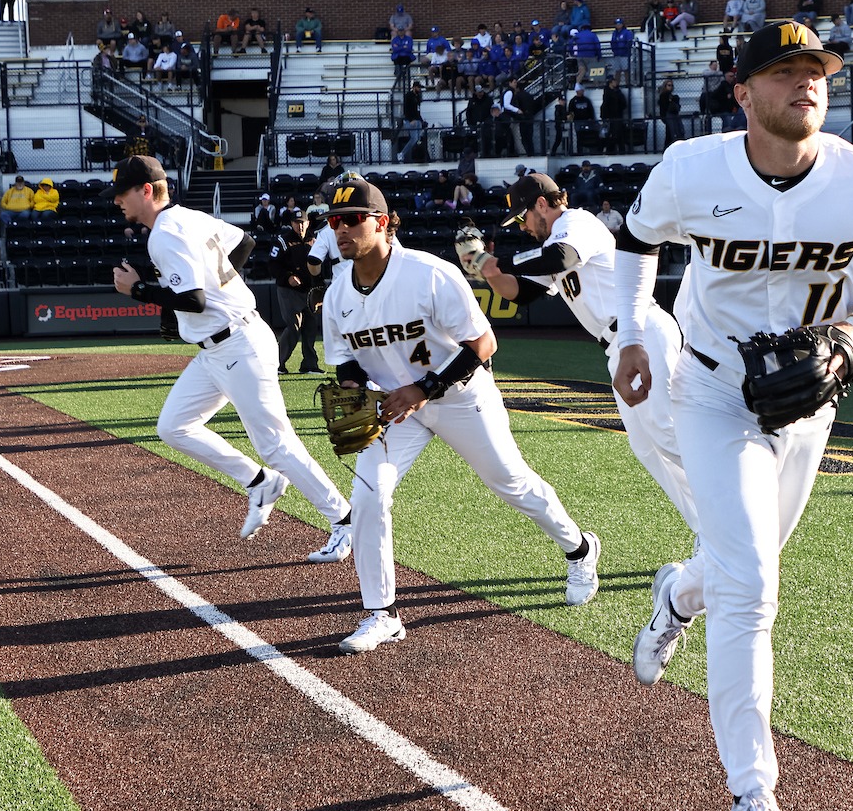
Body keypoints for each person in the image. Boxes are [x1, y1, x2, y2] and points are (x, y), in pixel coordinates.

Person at [610, 21, 853, 811]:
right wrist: (632, 335)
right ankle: (753, 796)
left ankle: (677, 594)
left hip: (810, 396)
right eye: (784, 72)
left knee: (738, 564)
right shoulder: (692, 167)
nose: (807, 84)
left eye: (817, 70)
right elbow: (637, 242)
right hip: (711, 387)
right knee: (753, 587)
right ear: (742, 92)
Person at [317, 176, 600, 652]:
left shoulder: (428, 273)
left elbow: (484, 344)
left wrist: (424, 389)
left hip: (460, 396)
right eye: (333, 221)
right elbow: (344, 355)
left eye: (352, 219)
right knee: (368, 497)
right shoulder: (340, 290)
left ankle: (579, 548)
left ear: (382, 223)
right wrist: (352, 389)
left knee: (510, 482)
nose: (340, 229)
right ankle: (380, 614)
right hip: (394, 407)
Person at [106, 155, 353, 559]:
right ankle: (259, 481)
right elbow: (245, 243)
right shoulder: (188, 216)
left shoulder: (163, 234)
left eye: (122, 192)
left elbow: (193, 299)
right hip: (217, 348)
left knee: (277, 445)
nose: (117, 200)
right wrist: (217, 291)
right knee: (174, 426)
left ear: (146, 190)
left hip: (238, 343)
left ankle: (344, 519)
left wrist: (138, 291)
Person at [473, 171, 697, 584]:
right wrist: (481, 267)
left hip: (641, 331)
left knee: (667, 435)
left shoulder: (576, 223)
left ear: (542, 204)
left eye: (523, 216)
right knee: (647, 447)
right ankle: (707, 533)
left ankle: (727, 531)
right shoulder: (548, 241)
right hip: (618, 345)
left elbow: (562, 259)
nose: (522, 226)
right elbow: (518, 292)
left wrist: (498, 261)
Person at [271, 209, 321, 375]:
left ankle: (309, 365)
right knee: (294, 326)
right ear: (291, 224)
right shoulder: (283, 240)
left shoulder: (315, 240)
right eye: (296, 222)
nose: (300, 226)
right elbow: (272, 264)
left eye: (302, 222)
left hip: (310, 290)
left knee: (311, 327)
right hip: (289, 290)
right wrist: (288, 277)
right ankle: (277, 364)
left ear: (308, 223)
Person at [657, 78, 685, 146]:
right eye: (669, 85)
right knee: (672, 132)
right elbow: (665, 106)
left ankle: (668, 147)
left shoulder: (672, 96)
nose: (671, 87)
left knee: (671, 132)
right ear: (665, 86)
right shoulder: (664, 95)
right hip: (668, 116)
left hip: (672, 116)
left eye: (671, 85)